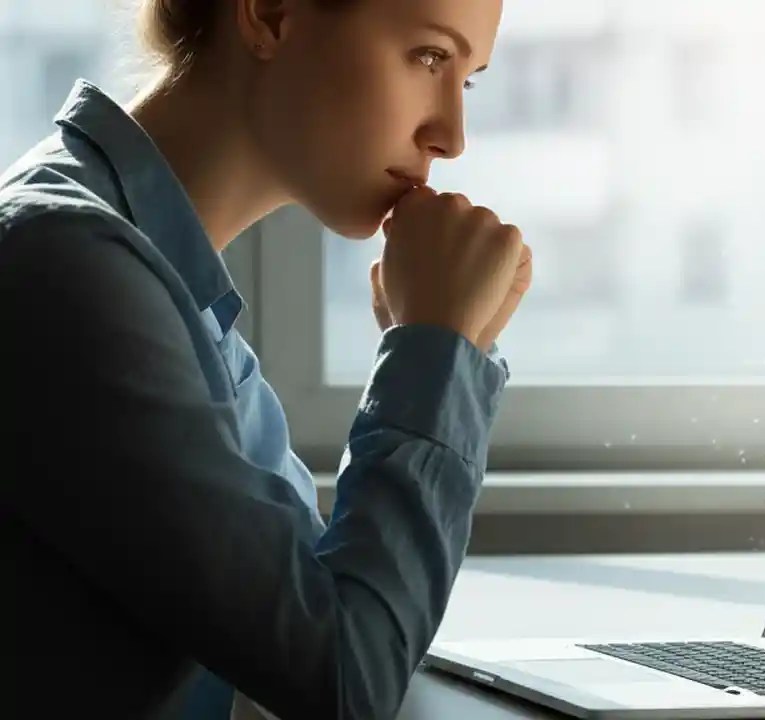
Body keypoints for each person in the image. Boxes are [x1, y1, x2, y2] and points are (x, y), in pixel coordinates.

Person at [0, 0, 530, 717]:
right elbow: (345, 678)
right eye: (429, 56)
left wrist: (443, 345)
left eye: (464, 79)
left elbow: (326, 614)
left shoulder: (170, 294)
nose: (451, 137)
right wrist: (436, 352)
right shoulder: (68, 267)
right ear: (272, 14)